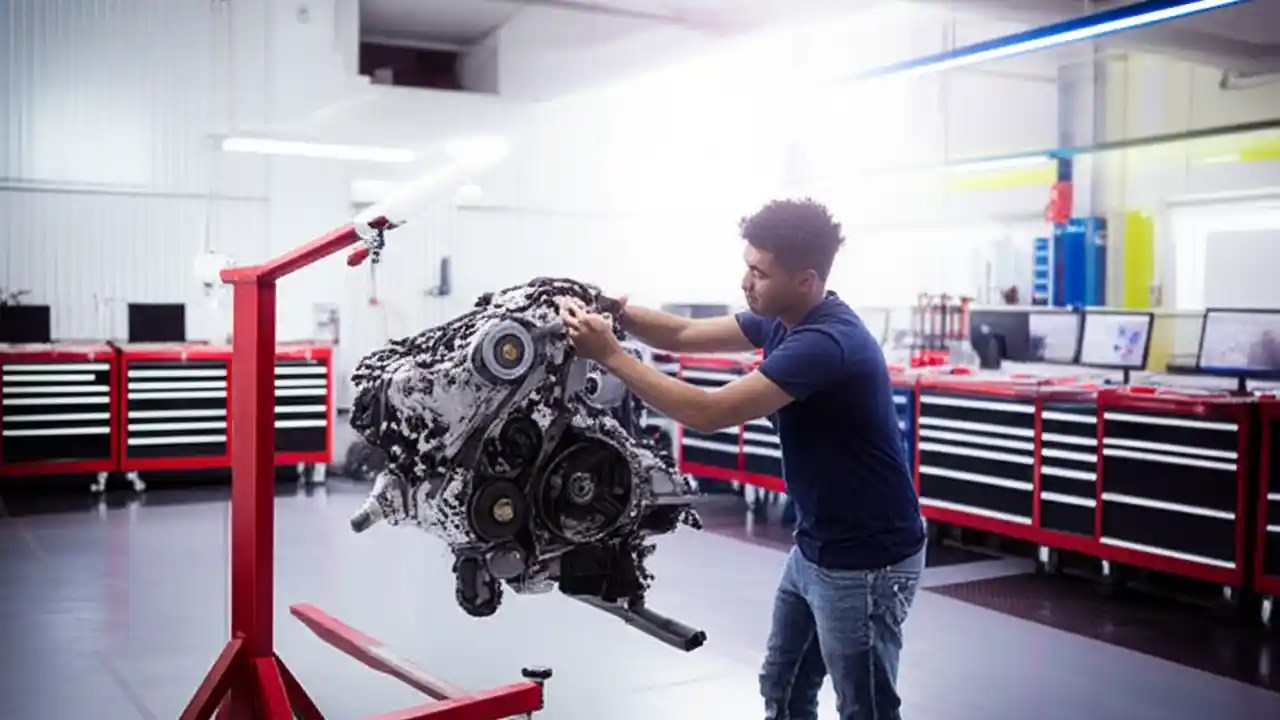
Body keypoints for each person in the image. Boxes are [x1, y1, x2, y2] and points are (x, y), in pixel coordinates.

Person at [558, 198, 926, 719]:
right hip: (817, 545)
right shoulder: (782, 320)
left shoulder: (826, 342)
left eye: (760, 272)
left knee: (864, 707)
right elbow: (681, 334)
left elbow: (709, 412)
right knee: (784, 687)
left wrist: (610, 355)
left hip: (867, 561)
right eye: (747, 266)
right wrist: (612, 313)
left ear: (805, 280)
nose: (746, 281)